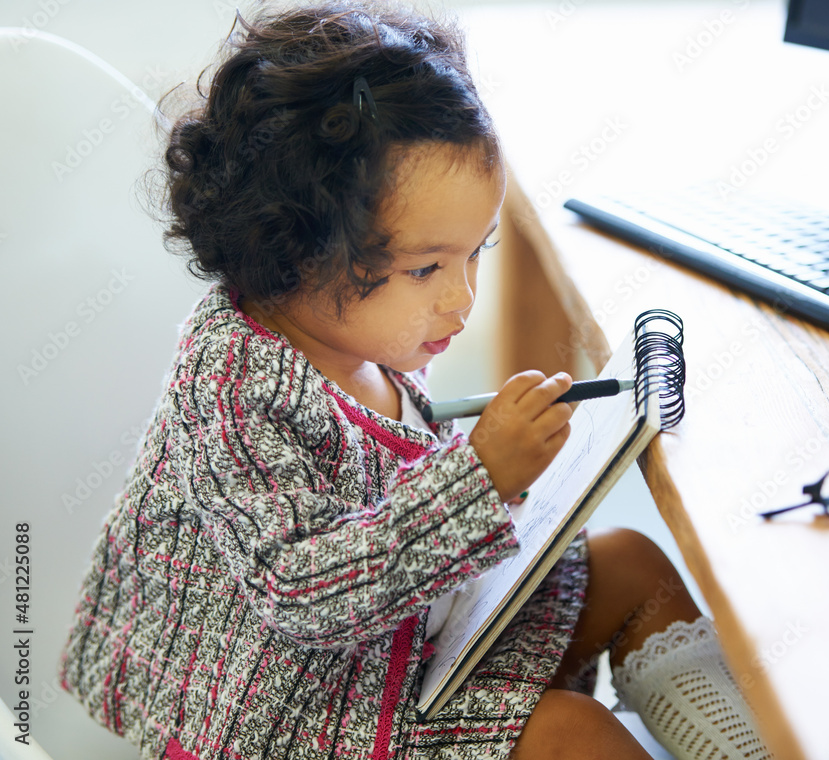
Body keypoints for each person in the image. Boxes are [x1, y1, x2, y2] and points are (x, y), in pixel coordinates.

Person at [59, 3, 771, 759]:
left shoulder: (361, 339)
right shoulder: (230, 382)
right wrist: (477, 480)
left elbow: (395, 489)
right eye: (427, 267)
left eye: (475, 253)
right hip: (300, 720)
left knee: (630, 562)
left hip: (405, 649)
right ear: (293, 248)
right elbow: (302, 593)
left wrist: (517, 496)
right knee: (573, 736)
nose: (462, 297)